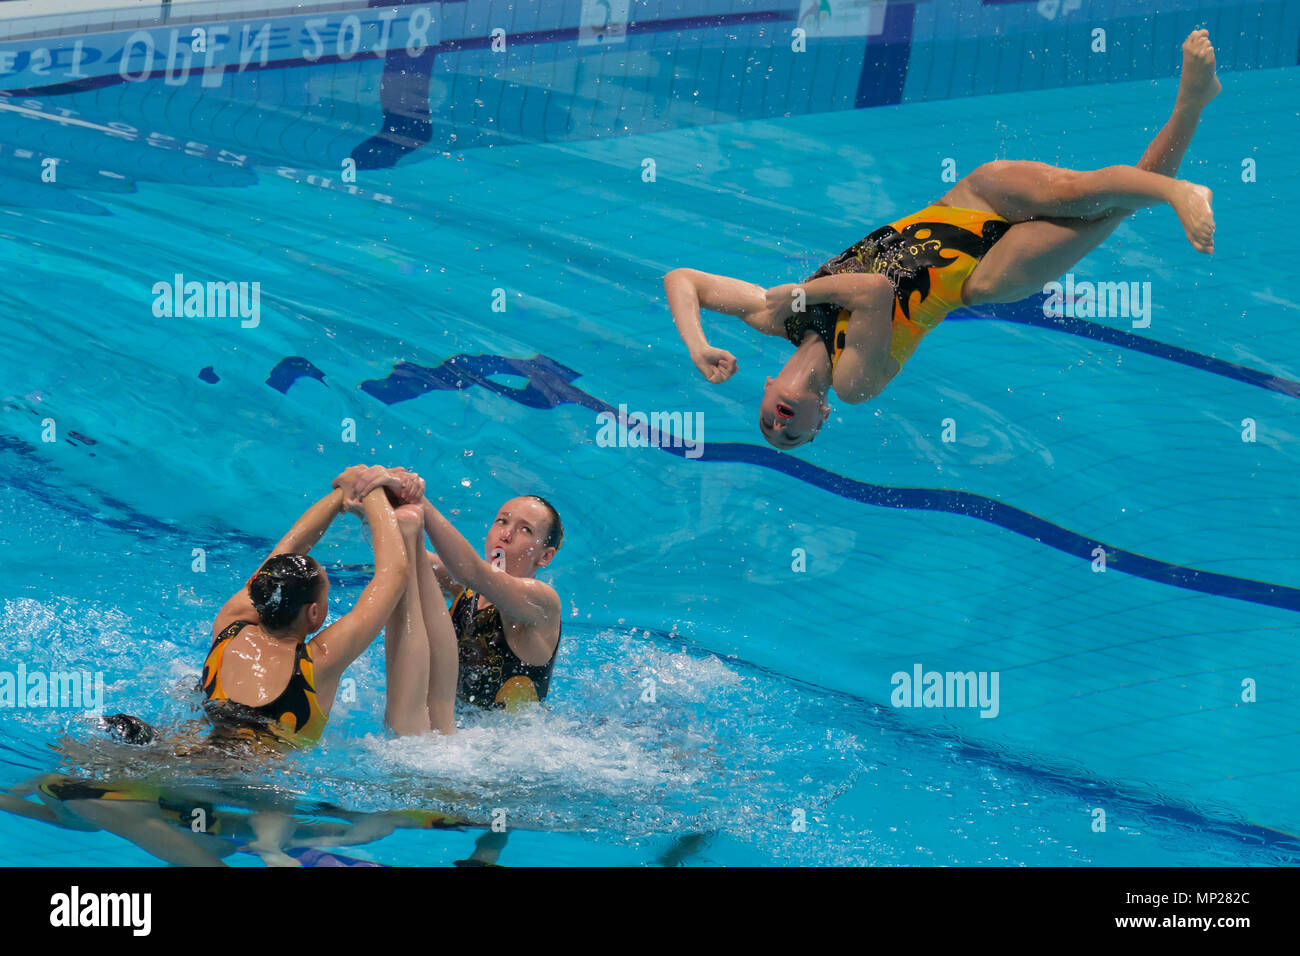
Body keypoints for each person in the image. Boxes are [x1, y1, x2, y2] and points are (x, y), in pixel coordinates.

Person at [664, 30, 1221, 450]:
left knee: (1077, 192)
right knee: (1109, 213)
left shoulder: (773, 317)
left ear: (765, 389)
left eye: (766, 422)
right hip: (985, 275)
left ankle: (1177, 182)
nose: (777, 425)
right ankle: (1187, 121)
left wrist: (697, 346)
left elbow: (681, 279)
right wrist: (808, 295)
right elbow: (877, 292)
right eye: (792, 435)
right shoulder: (853, 383)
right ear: (822, 417)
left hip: (967, 204)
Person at [194, 463, 409, 750]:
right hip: (254, 788)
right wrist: (373, 489)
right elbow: (394, 574)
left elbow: (282, 554)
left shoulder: (229, 628)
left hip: (192, 752)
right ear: (314, 613)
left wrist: (341, 493)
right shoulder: (319, 663)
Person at [352, 467, 563, 732]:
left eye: (525, 530)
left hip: (509, 751)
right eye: (502, 521)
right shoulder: (466, 588)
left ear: (545, 557)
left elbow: (471, 570)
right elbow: (399, 553)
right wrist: (375, 503)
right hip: (456, 733)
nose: (506, 534)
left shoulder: (542, 604)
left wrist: (418, 499)